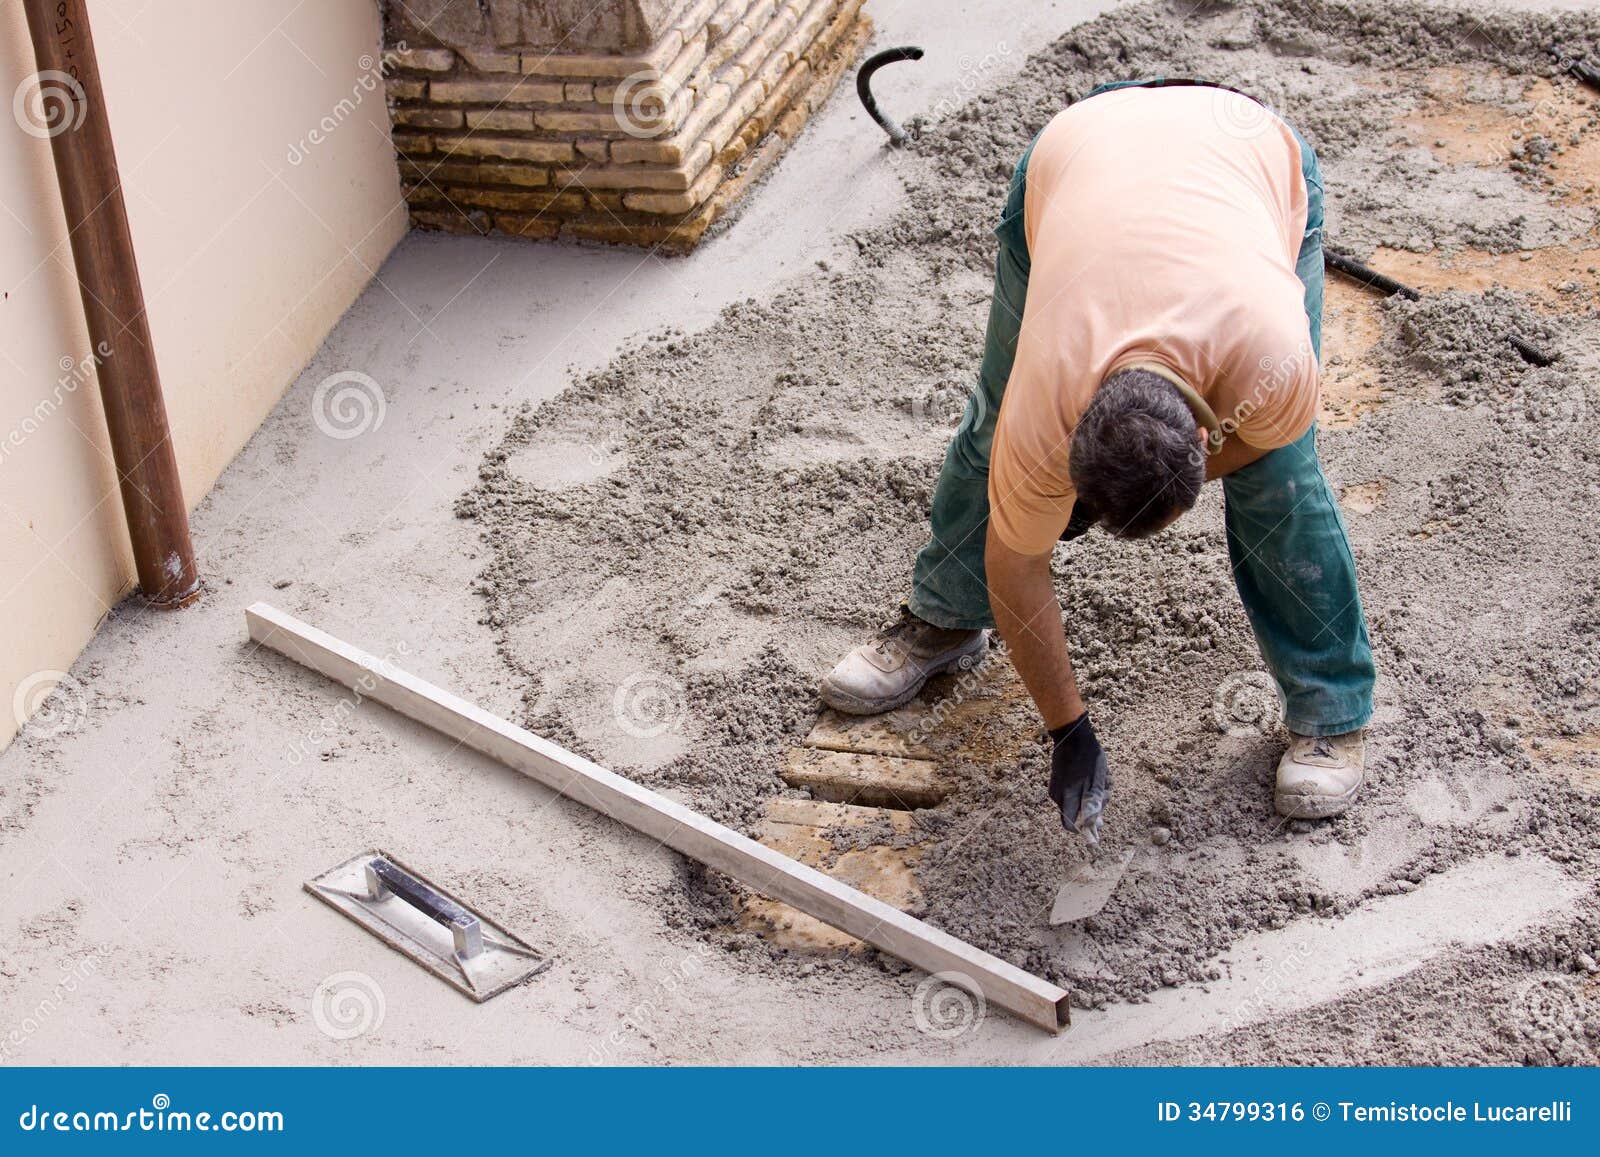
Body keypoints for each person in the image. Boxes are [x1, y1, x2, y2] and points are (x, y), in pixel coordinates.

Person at [819, 81, 1376, 836]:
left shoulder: (1271, 361)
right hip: (1077, 153)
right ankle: (945, 618)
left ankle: (1330, 712)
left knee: (1279, 476)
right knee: (991, 430)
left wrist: (1116, 492)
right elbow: (1016, 562)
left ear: (1204, 437)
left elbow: (1263, 441)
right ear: (1073, 437)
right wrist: (1068, 730)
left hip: (1252, 156)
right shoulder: (1043, 405)